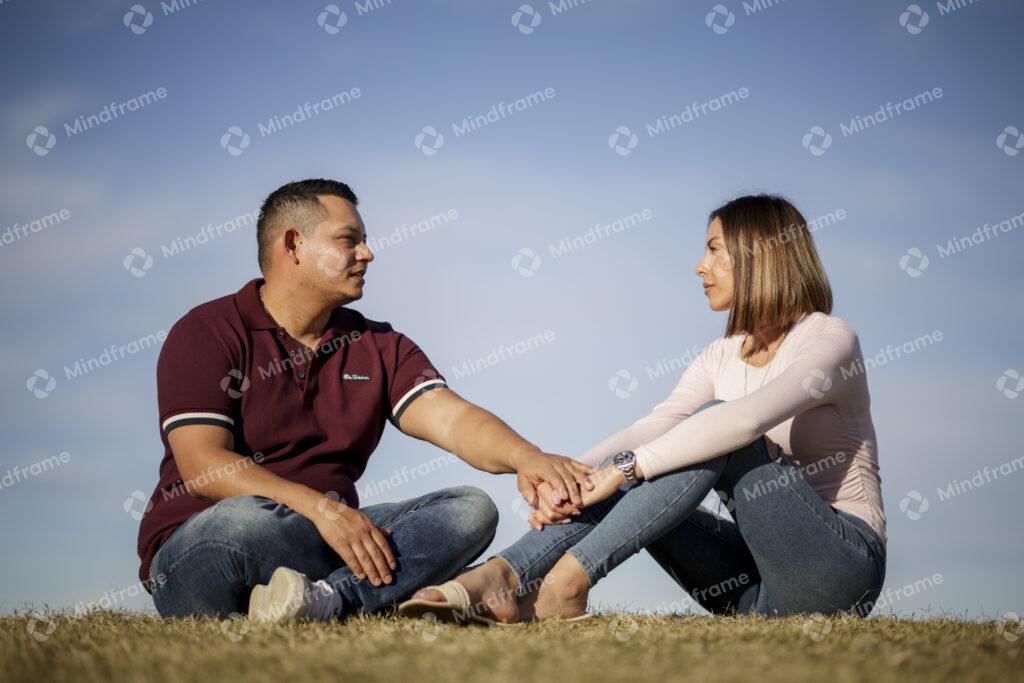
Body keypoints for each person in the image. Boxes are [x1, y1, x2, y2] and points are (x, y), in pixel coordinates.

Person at [400, 194, 886, 623]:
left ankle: (564, 584)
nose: (700, 266)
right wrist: (566, 478)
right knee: (660, 456)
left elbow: (744, 421)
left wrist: (625, 469)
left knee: (711, 434)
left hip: (839, 568)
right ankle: (504, 575)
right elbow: (654, 427)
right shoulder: (720, 355)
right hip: (749, 588)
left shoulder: (829, 338)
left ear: (759, 253)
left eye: (714, 250)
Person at [136, 178, 594, 623]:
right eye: (348, 240)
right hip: (207, 545)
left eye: (365, 241)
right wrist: (321, 509)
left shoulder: (379, 345)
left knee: (471, 509)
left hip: (326, 541)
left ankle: (329, 600)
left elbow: (453, 420)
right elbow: (202, 464)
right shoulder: (208, 330)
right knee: (242, 522)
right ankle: (373, 591)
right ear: (293, 245)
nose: (367, 254)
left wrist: (526, 457)